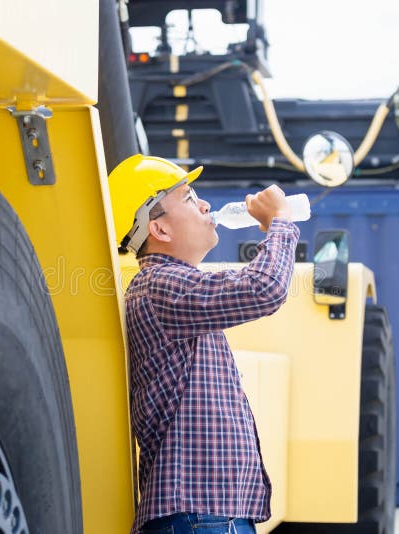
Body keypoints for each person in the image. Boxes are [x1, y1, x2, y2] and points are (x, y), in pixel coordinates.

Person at [108, 154, 300, 534]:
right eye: (189, 197)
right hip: (201, 515)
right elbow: (264, 288)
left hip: (204, 514)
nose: (206, 205)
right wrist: (280, 222)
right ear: (159, 229)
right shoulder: (160, 287)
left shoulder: (173, 289)